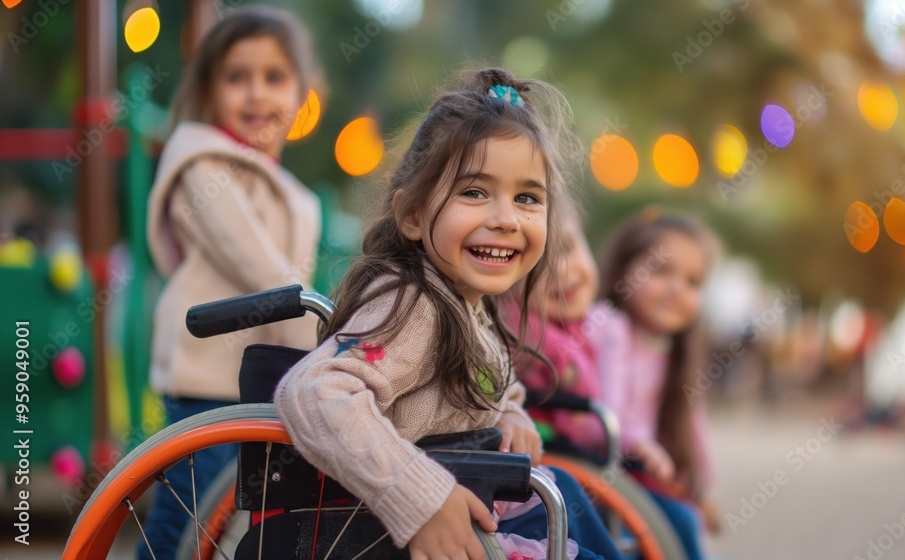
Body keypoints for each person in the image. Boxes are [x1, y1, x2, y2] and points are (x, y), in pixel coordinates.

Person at [275, 68, 622, 559]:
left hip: (472, 496)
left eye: (526, 198)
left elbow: (486, 382)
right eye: (475, 192)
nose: (504, 218)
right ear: (413, 215)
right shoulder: (413, 302)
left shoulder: (470, 306)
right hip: (391, 530)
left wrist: (510, 410)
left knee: (565, 490)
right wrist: (421, 497)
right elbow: (314, 392)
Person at [139, 6, 325, 558]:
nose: (256, 94)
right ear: (210, 89)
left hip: (262, 378)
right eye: (237, 77)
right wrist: (327, 339)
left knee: (237, 523)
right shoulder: (200, 164)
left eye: (274, 78)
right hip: (208, 377)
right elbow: (262, 270)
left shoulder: (287, 188)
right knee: (187, 519)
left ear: (299, 92)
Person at [589, 207, 721, 560]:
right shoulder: (610, 327)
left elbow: (693, 425)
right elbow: (607, 404)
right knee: (678, 521)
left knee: (686, 518)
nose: (677, 289)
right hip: (606, 464)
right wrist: (637, 442)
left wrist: (705, 489)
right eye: (661, 271)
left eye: (693, 282)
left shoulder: (676, 354)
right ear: (624, 270)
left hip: (641, 472)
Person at [515, 206, 608, 457]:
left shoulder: (589, 322)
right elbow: (579, 383)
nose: (562, 271)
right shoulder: (522, 327)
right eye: (537, 266)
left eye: (567, 247)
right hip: (551, 455)